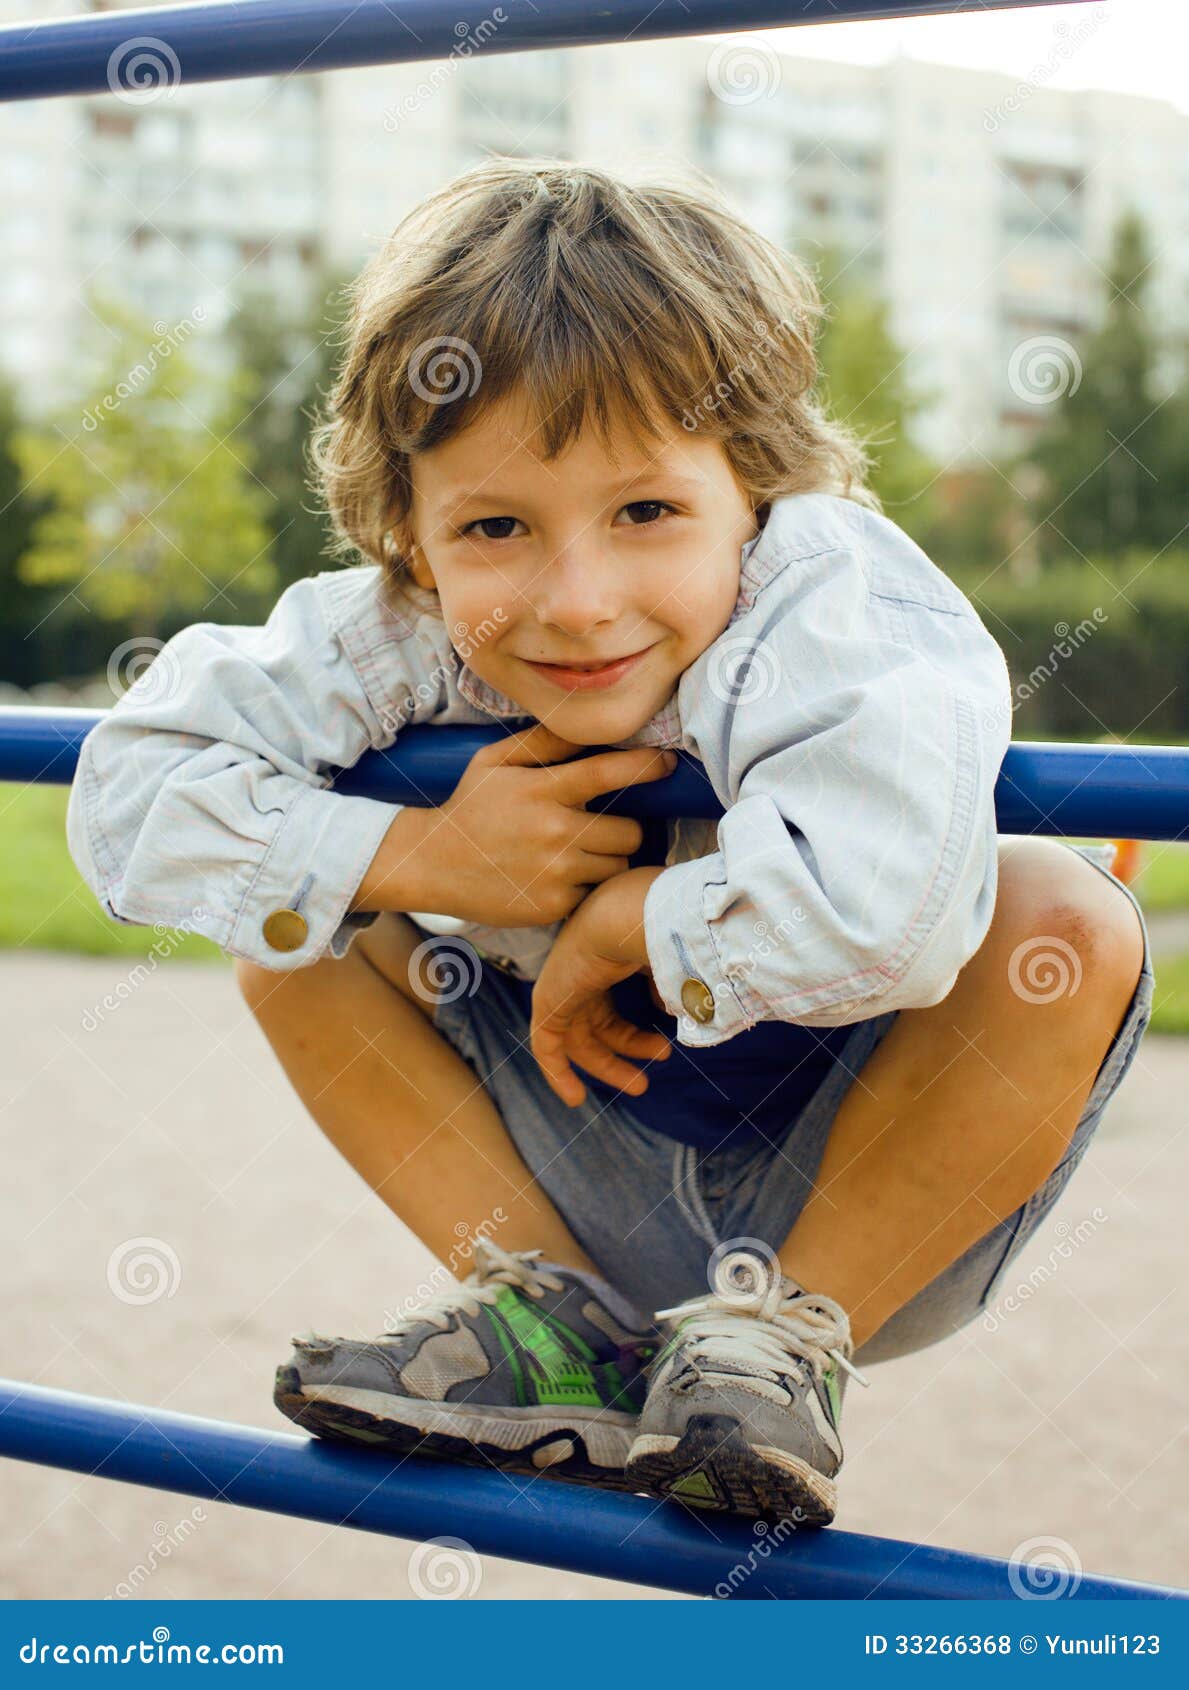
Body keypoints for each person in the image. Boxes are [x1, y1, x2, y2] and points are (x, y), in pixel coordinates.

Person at [66, 157, 1154, 1526]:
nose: (576, 601)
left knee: (1061, 914)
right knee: (293, 942)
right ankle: (551, 1322)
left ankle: (774, 1348)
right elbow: (125, 795)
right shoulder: (391, 628)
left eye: (645, 512)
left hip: (854, 1191)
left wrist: (633, 917)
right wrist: (422, 860)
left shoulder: (835, 601)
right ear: (407, 532)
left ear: (754, 487)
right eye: (495, 526)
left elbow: (886, 909)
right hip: (584, 1162)